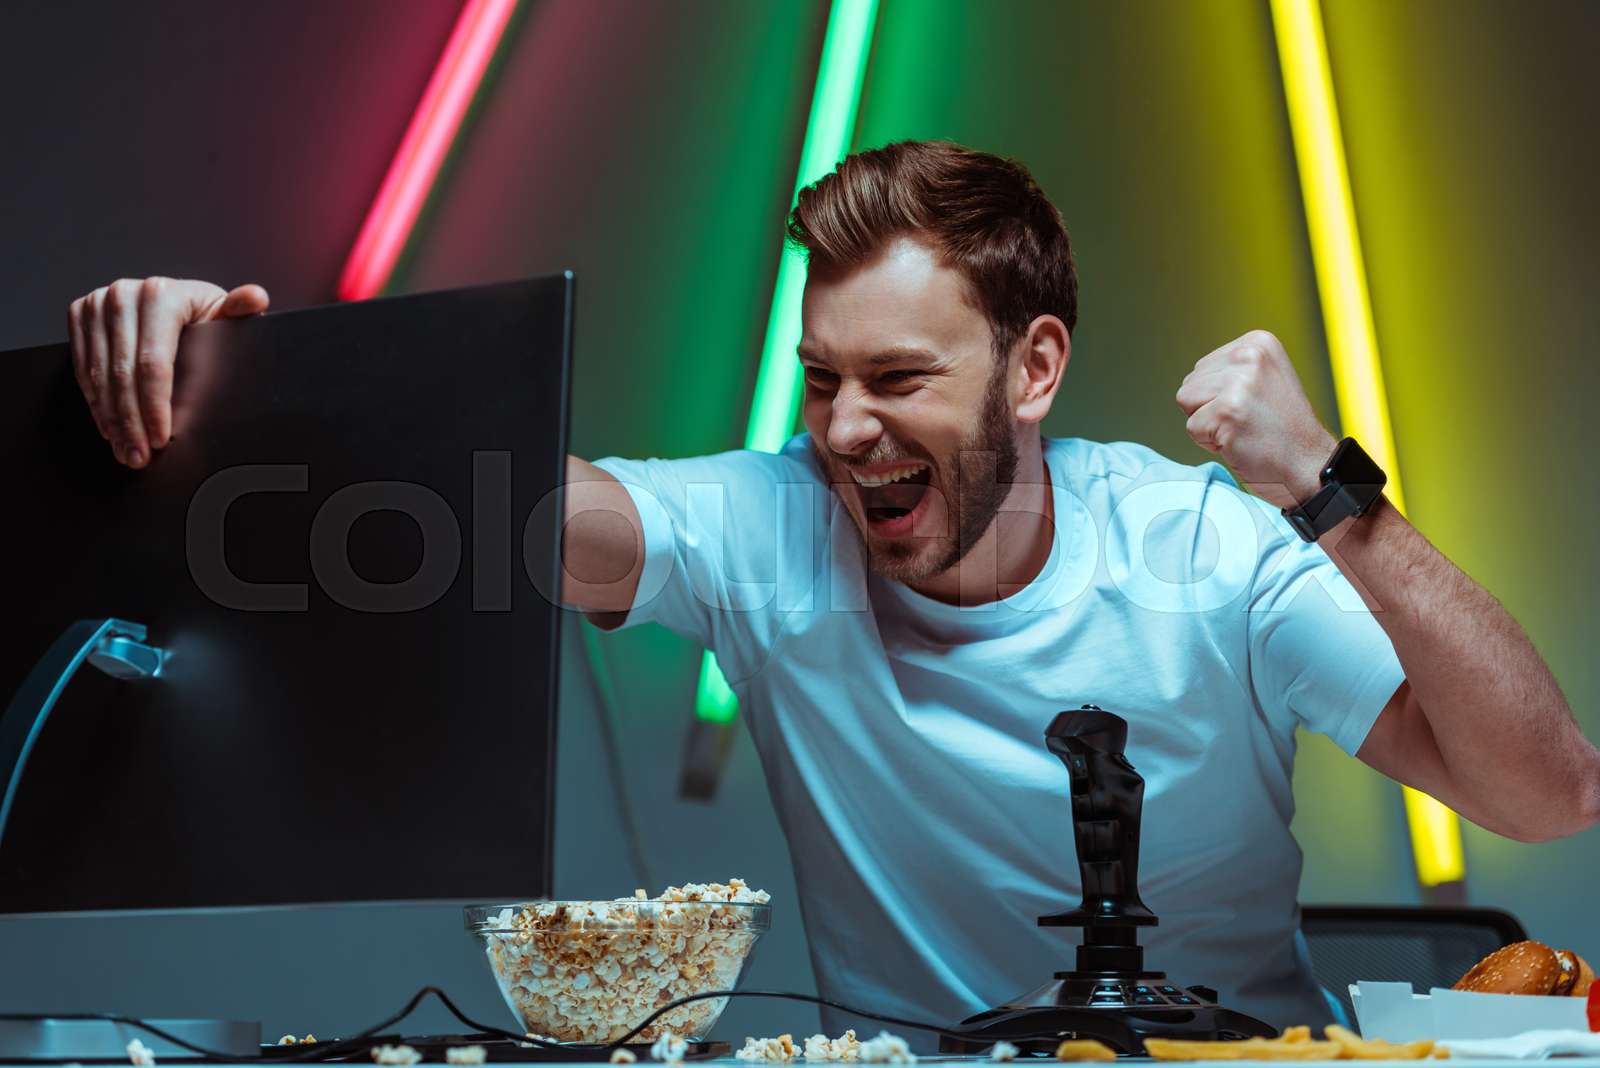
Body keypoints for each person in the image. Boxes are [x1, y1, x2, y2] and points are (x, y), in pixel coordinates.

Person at [67, 140, 1599, 1040]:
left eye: (898, 377)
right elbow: (484, 507)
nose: (846, 428)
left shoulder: (1204, 548)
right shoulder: (773, 526)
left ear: (1037, 367)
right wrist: (246, 373)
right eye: (819, 381)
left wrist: (1331, 489)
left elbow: (1545, 794)